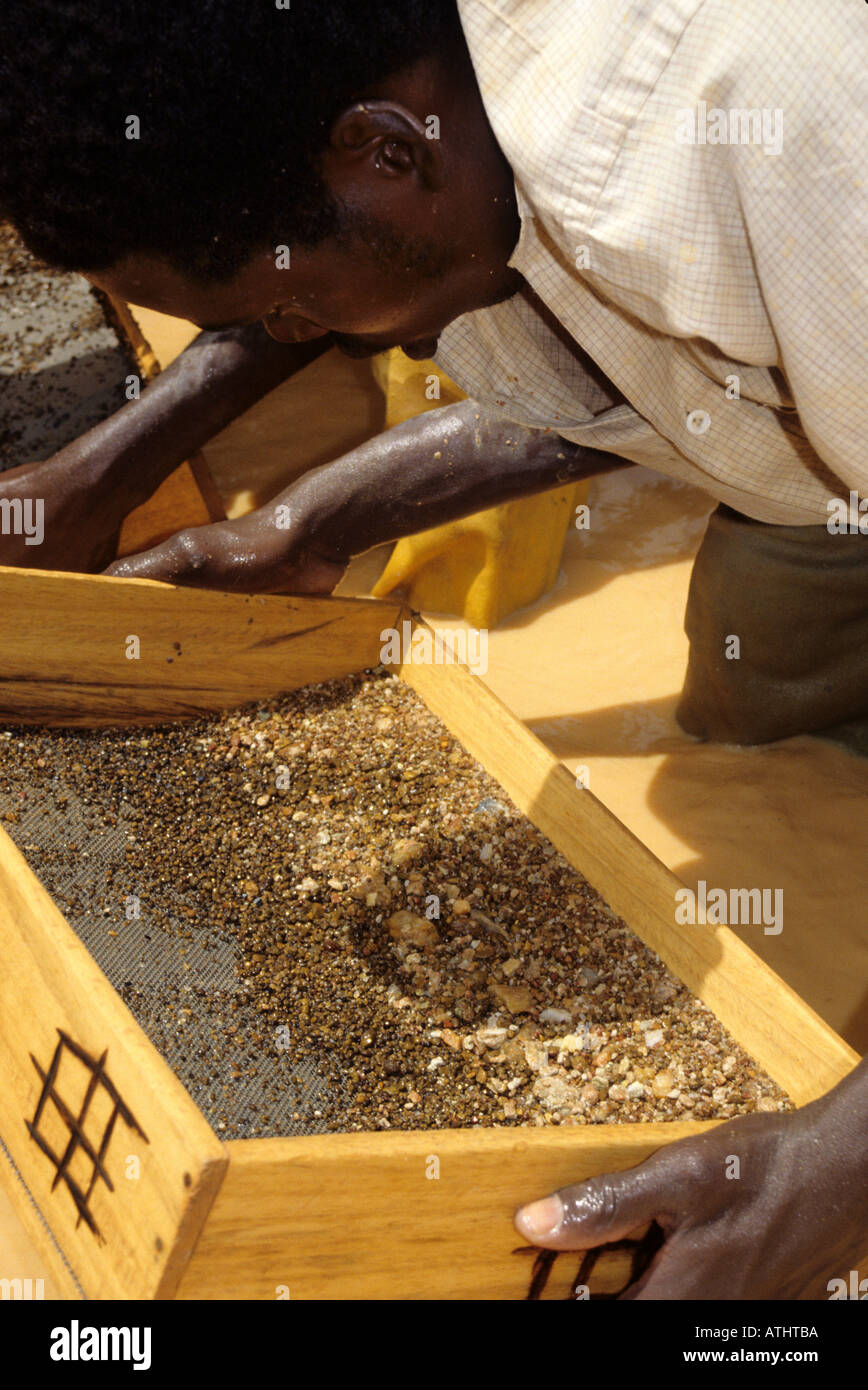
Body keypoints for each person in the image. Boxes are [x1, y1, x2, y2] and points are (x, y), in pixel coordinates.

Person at [0, 0, 865, 1298]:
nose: (297, 346)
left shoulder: (783, 141)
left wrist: (831, 1177)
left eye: (287, 311)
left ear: (391, 152)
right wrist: (304, 521)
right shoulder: (453, 114)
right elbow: (655, 372)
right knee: (769, 703)